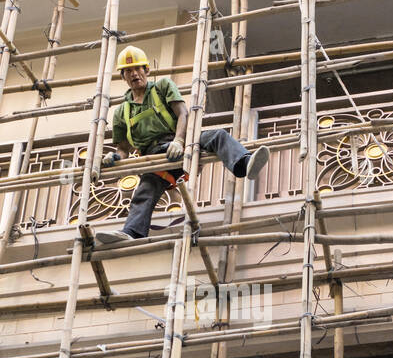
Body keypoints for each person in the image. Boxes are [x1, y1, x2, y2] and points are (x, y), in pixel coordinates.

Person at [95, 46, 269, 246]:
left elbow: (183, 114)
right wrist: (114, 158)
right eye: (128, 71)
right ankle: (133, 232)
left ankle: (245, 164)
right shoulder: (122, 112)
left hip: (180, 144)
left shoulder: (162, 87)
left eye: (138, 68)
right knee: (145, 191)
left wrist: (178, 140)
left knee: (218, 136)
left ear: (147, 70)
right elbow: (123, 149)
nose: (134, 74)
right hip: (154, 160)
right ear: (122, 76)